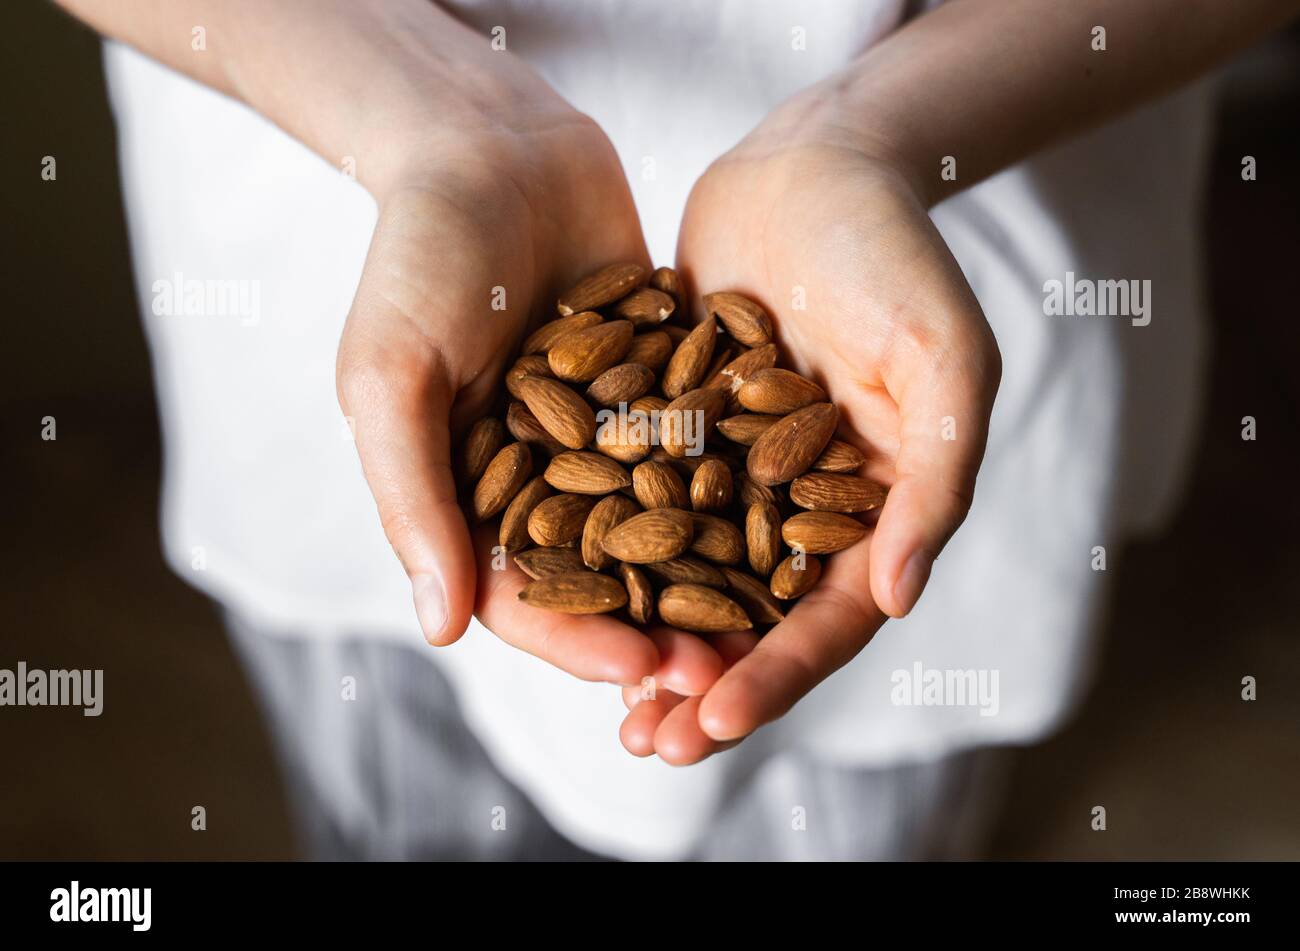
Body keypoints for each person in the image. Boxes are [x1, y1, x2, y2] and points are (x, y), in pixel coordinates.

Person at [56, 0, 1300, 860]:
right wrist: (421, 111)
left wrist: (876, 131)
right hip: (328, 203)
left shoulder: (763, 460)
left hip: (929, 277)